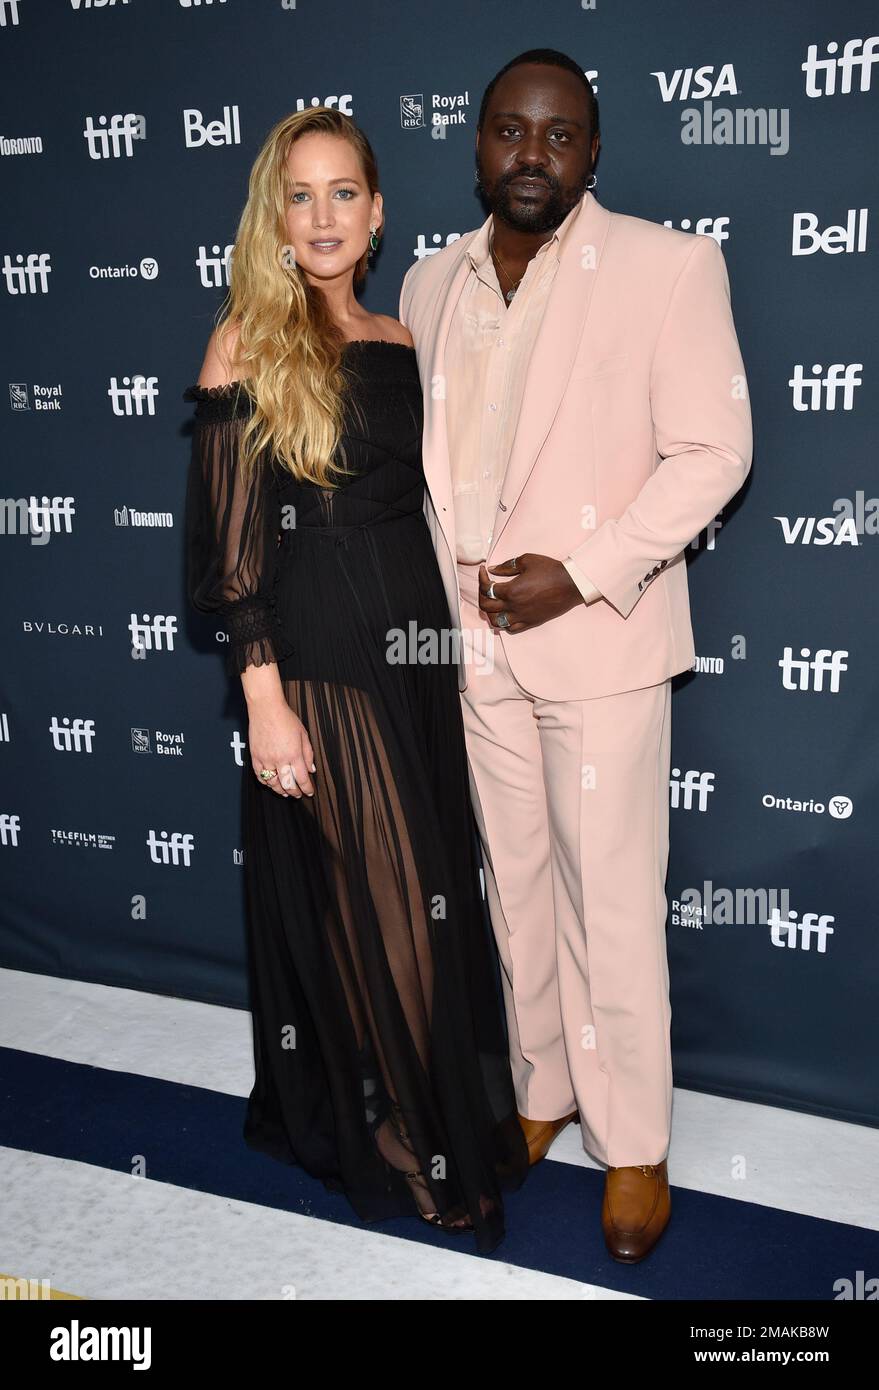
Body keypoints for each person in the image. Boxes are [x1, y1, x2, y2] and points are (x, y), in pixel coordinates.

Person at [399, 48, 753, 1262]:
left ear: (593, 153)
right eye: (509, 129)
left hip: (597, 642)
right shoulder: (432, 280)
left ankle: (636, 1140)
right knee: (516, 883)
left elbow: (713, 452)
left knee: (610, 901)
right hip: (475, 650)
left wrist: (586, 569)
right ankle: (543, 1088)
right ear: (479, 143)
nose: (531, 153)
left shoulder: (668, 266)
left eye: (559, 135)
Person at [183, 106, 529, 1255]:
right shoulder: (247, 338)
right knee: (391, 908)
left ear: (378, 213)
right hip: (319, 658)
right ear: (274, 218)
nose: (323, 215)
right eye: (301, 195)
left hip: (415, 656)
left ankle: (406, 1108)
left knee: (419, 898)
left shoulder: (401, 339)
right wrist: (263, 694)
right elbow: (232, 554)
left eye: (344, 193)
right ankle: (411, 1138)